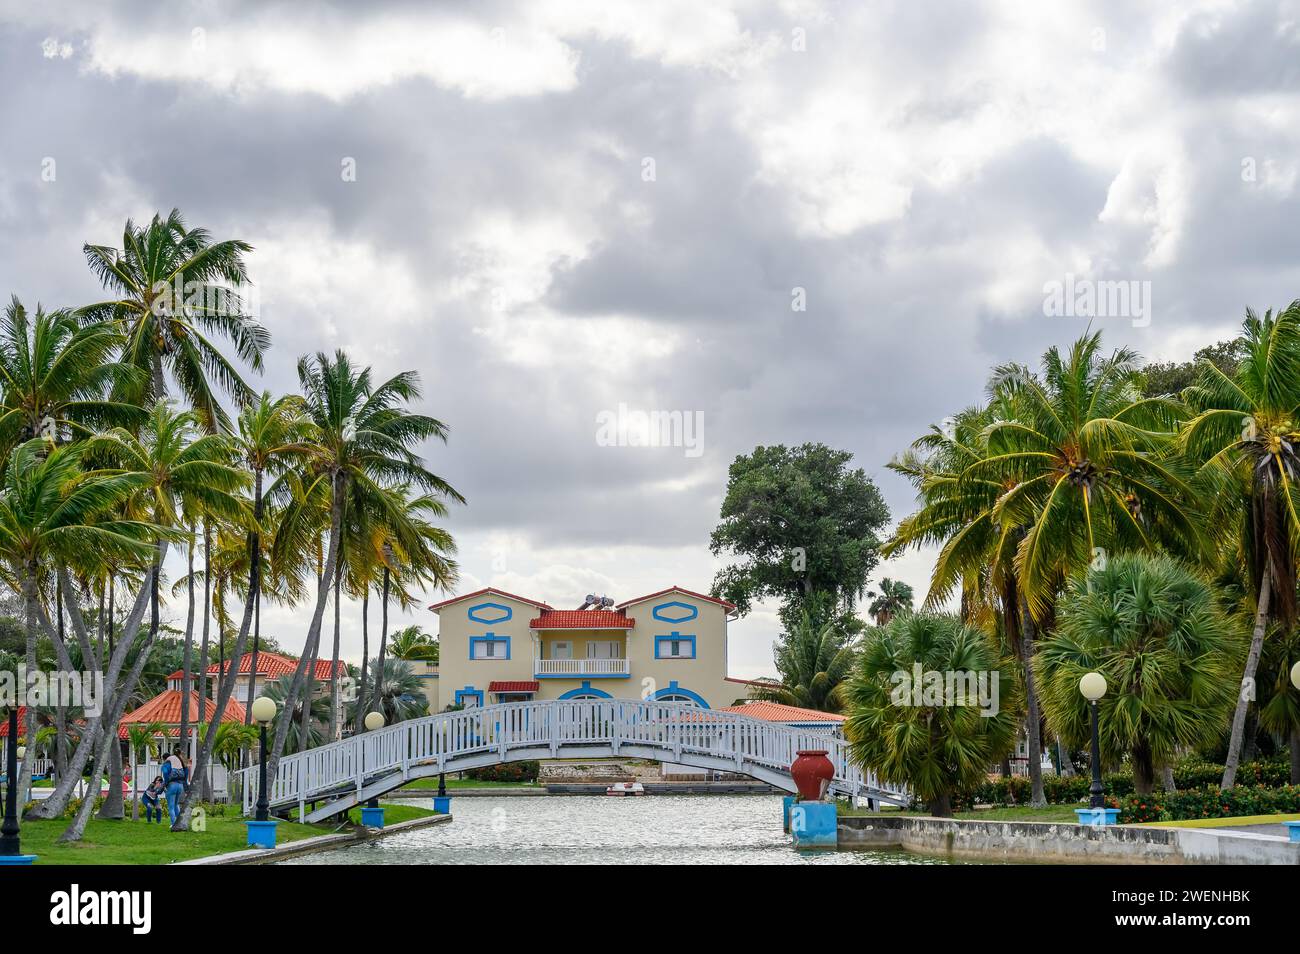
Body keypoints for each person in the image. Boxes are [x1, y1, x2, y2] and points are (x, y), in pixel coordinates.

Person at [161, 747, 188, 827]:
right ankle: (180, 823)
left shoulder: (166, 764)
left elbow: (165, 773)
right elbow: (186, 772)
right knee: (176, 804)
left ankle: (174, 824)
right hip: (180, 785)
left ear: (164, 759)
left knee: (171, 806)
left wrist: (166, 783)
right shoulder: (180, 763)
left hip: (172, 785)